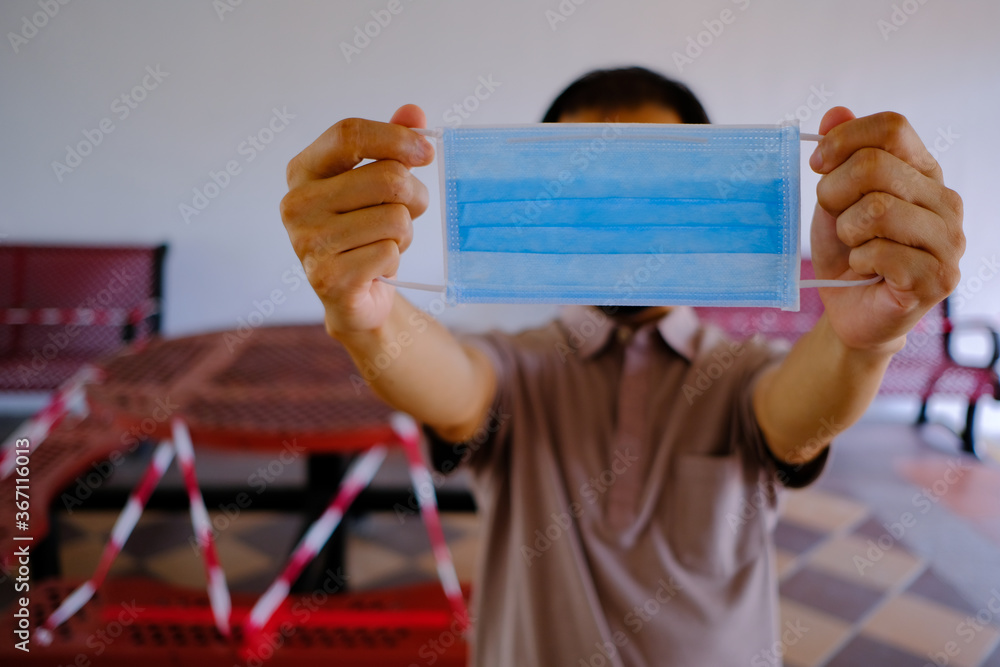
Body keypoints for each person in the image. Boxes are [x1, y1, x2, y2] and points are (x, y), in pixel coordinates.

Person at [279, 67, 964, 666]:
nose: (619, 215)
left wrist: (862, 341)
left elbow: (796, 409)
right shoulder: (519, 367)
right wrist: (366, 315)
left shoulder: (741, 372)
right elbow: (455, 384)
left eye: (654, 184)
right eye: (584, 187)